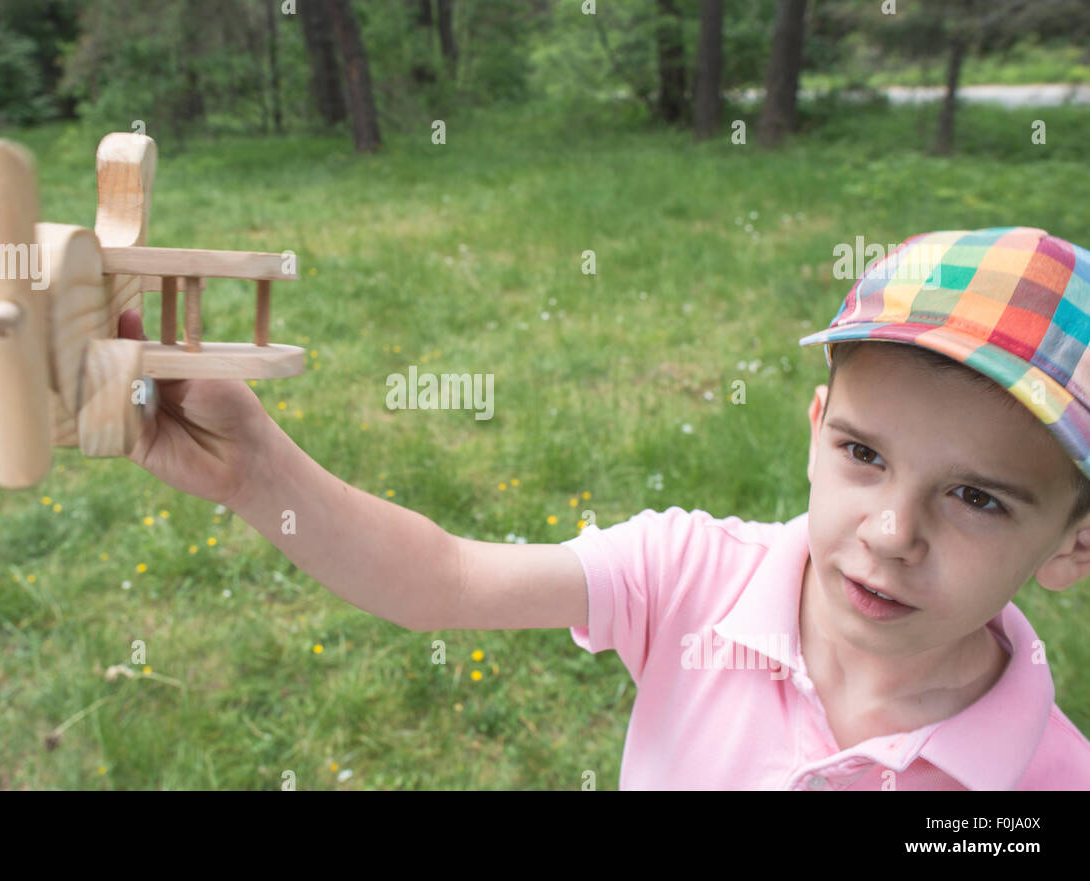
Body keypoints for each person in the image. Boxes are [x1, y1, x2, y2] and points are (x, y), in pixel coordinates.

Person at [117, 225, 1090, 790]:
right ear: (814, 427)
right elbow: (442, 577)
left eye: (974, 497)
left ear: (1073, 541)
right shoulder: (693, 574)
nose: (891, 531)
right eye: (862, 454)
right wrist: (251, 468)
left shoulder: (1045, 777)